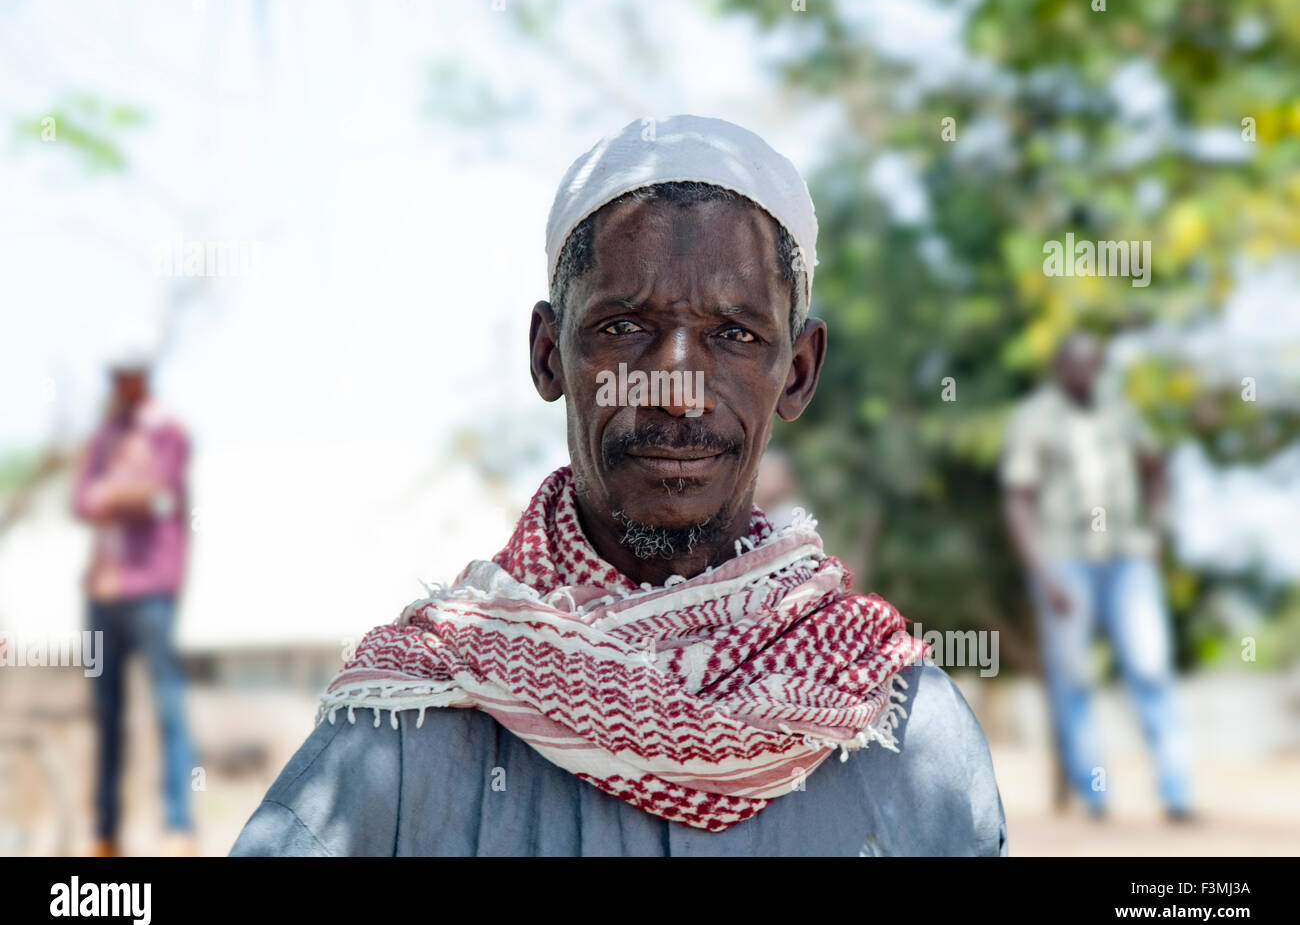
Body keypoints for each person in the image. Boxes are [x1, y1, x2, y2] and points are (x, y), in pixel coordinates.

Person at [231, 115, 1007, 856]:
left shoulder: (901, 728)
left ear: (797, 372)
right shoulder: (405, 728)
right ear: (547, 355)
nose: (676, 389)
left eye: (734, 336)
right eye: (624, 328)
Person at [1001, 331, 1195, 822]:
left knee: (1150, 667)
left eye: (1095, 364)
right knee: (1074, 679)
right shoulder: (1034, 418)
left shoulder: (1119, 410)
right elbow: (1019, 499)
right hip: (1063, 559)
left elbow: (1156, 466)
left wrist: (1156, 529)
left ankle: (1177, 795)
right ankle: (1096, 800)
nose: (1087, 373)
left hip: (1129, 555)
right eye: (1078, 364)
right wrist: (1042, 574)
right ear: (1061, 368)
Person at [71, 336, 198, 856]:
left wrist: (114, 494)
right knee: (107, 715)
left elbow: (159, 494)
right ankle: (106, 833)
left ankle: (178, 825)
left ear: (142, 375)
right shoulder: (104, 436)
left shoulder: (166, 430)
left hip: (150, 589)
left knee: (168, 704)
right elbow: (82, 500)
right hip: (103, 589)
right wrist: (121, 494)